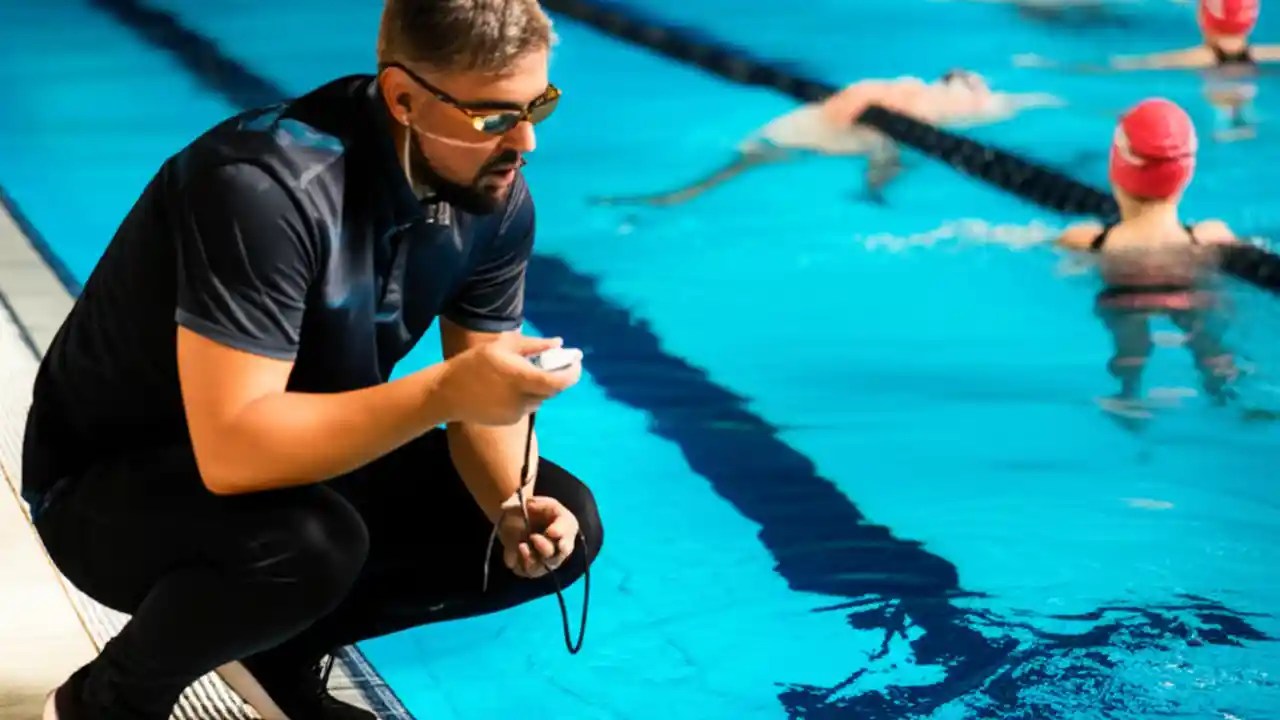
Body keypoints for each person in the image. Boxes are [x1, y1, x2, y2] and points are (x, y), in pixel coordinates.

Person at [25, 1, 603, 718]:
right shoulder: (262, 188)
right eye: (492, 118)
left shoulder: (491, 194)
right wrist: (444, 393)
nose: (525, 142)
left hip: (295, 464)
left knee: (568, 521)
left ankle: (276, 657)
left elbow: (484, 395)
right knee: (309, 544)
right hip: (110, 494)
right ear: (402, 98)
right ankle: (103, 701)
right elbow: (233, 454)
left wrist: (512, 506)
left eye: (537, 105)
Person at [591, 70, 1064, 206]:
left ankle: (675, 196)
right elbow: (865, 131)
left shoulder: (906, 97)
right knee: (741, 167)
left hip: (802, 134)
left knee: (737, 169)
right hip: (808, 134)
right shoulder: (907, 98)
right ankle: (674, 197)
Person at [1052, 98, 1240, 424]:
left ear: (1116, 168)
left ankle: (1128, 393)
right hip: (1192, 290)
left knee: (1129, 349)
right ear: (1186, 175)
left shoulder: (1086, 239)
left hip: (1121, 296)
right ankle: (1225, 391)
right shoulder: (1212, 235)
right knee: (1209, 344)